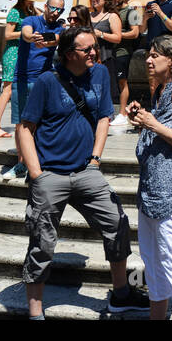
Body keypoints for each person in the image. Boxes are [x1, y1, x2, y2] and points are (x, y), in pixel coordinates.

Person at [17, 28, 150, 319]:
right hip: (50, 174)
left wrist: (95, 158)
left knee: (117, 223)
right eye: (87, 49)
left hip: (86, 170)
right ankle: (35, 311)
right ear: (68, 55)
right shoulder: (46, 82)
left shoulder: (100, 74)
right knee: (42, 241)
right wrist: (37, 173)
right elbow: (25, 128)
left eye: (96, 47)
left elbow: (104, 115)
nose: (94, 52)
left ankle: (121, 294)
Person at [127, 34, 172, 320]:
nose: (148, 59)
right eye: (148, 54)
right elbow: (159, 130)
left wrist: (153, 124)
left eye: (155, 55)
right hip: (149, 192)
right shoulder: (161, 90)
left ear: (171, 60)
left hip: (171, 192)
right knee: (153, 263)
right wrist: (143, 118)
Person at [6, 0, 67, 179]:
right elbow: (25, 32)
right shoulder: (31, 19)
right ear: (46, 6)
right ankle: (21, 163)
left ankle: (38, 161)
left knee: (41, 123)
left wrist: (45, 42)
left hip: (43, 81)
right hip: (22, 79)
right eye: (53, 8)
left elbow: (56, 39)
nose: (56, 13)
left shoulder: (59, 28)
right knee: (20, 124)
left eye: (60, 10)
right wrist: (30, 37)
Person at [0, 0, 38, 139]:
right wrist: (25, 32)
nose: (32, 0)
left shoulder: (31, 12)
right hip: (13, 53)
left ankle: (25, 123)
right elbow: (7, 34)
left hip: (25, 53)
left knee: (21, 89)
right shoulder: (15, 12)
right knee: (8, 90)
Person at [88, 0, 127, 131]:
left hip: (106, 57)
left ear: (105, 0)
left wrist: (101, 34)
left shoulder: (112, 16)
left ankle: (104, 119)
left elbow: (118, 37)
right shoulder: (89, 15)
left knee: (104, 91)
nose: (94, 0)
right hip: (89, 59)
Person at [112, 0, 143, 127]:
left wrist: (116, 36)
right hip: (111, 52)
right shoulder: (113, 12)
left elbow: (135, 33)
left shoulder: (132, 12)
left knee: (122, 82)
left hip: (123, 52)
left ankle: (123, 114)